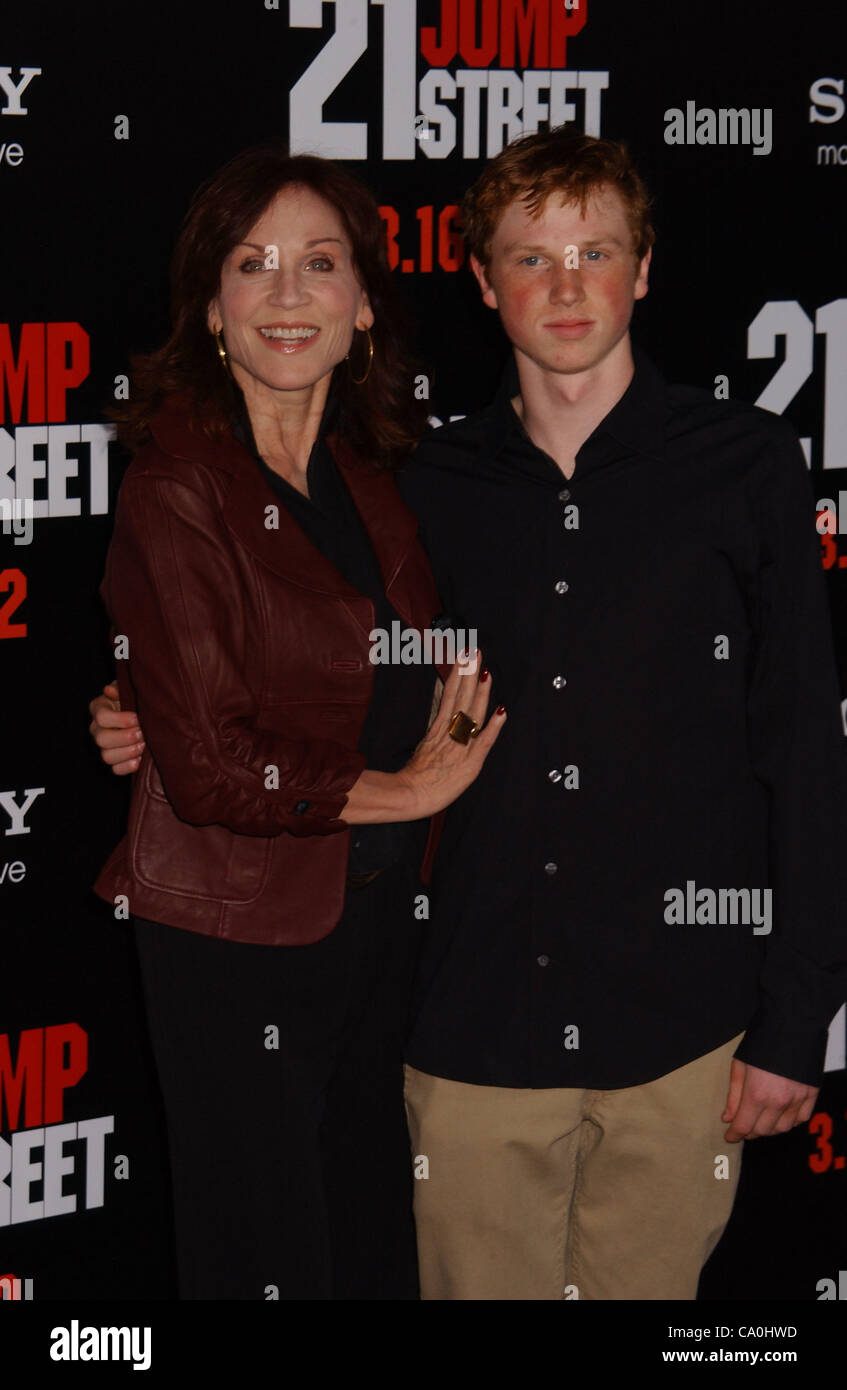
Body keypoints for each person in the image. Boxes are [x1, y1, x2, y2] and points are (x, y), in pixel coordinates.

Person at [93, 128, 847, 1302]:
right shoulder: (421, 487)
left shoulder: (743, 466)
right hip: (465, 1034)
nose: (565, 284)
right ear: (481, 282)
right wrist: (146, 703)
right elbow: (307, 663)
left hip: (684, 1034)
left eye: (595, 251)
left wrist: (796, 1018)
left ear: (643, 270)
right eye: (529, 256)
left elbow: (802, 750)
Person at [89, 144, 505, 1301]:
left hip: (370, 930)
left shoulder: (370, 475)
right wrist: (411, 790)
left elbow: (385, 658)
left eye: (318, 264)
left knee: (364, 1240)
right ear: (211, 310)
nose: (286, 293)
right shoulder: (179, 486)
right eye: (251, 264)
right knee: (266, 1258)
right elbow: (217, 765)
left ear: (362, 303)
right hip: (235, 939)